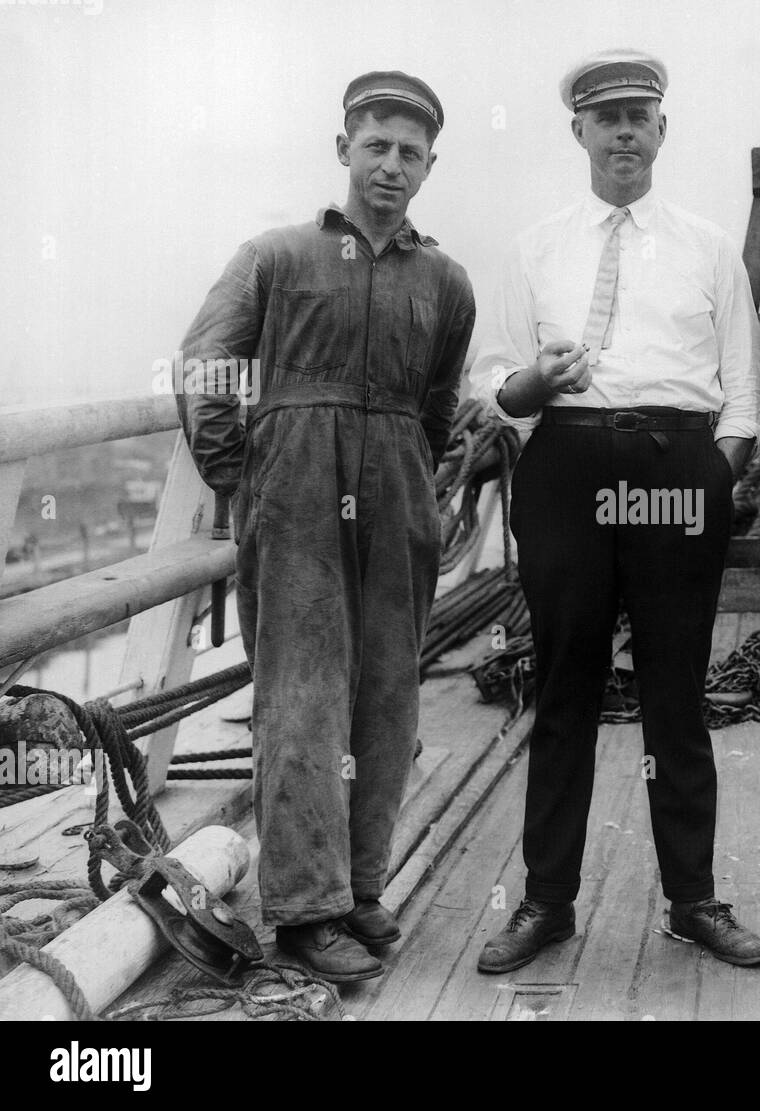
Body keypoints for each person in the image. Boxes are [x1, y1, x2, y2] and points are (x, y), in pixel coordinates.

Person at [469, 49, 760, 973]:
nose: (626, 131)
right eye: (608, 118)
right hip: (565, 469)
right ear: (581, 134)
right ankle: (548, 903)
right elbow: (493, 387)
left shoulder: (710, 246)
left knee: (677, 692)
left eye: (641, 115)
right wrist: (531, 383)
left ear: (663, 129)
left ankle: (694, 900)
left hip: (676, 467)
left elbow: (743, 395)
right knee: (564, 689)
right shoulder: (536, 246)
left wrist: (712, 480)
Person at [175, 71, 474, 982]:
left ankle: (360, 889)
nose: (391, 165)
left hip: (398, 497)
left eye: (410, 152)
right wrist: (243, 475)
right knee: (302, 697)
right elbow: (205, 365)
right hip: (296, 490)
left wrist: (411, 480)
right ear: (343, 148)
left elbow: (438, 404)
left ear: (429, 166)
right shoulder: (275, 255)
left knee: (386, 693)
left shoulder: (446, 280)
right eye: (375, 145)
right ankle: (304, 913)